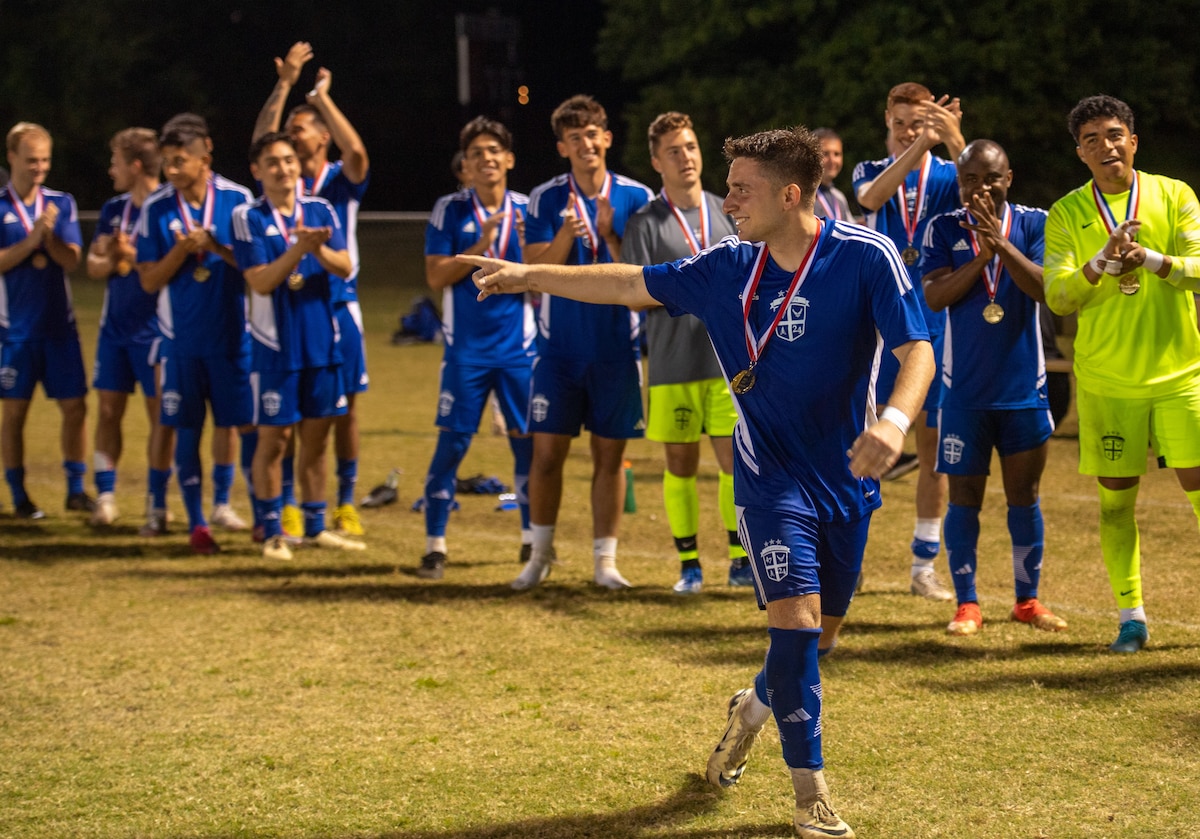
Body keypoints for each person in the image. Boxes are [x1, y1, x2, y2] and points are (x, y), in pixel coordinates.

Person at [467, 125, 934, 839]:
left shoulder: (863, 257)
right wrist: (531, 275)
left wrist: (896, 422)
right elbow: (629, 282)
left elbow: (918, 351)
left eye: (742, 189)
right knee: (799, 624)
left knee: (822, 637)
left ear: (790, 193)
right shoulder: (726, 268)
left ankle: (752, 706)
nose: (729, 200)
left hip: (845, 475)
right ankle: (811, 794)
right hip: (768, 475)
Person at [1043, 94, 1200, 653]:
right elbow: (1059, 296)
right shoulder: (1066, 213)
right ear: (1080, 153)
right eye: (1091, 140)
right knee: (1116, 501)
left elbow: (1199, 272)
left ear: (1133, 140)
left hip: (1181, 372)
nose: (1104, 146)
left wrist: (1152, 260)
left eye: (1113, 135)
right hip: (1108, 381)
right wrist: (1104, 261)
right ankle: (1131, 616)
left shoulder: (1174, 194)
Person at [922, 139, 1068, 636]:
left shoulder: (1035, 224)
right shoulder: (943, 227)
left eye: (990, 178)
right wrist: (981, 256)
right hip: (962, 392)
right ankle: (967, 604)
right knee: (963, 498)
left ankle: (1027, 601)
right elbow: (936, 295)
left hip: (1024, 388)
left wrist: (1001, 245)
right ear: (959, 182)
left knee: (1024, 495)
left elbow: (1048, 289)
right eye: (969, 180)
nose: (980, 188)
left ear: (1009, 177)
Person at [515, 94, 654, 591]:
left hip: (617, 348)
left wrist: (607, 233)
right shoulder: (544, 198)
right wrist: (564, 239)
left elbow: (646, 272)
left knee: (610, 459)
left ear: (606, 138)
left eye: (592, 133)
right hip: (559, 350)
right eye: (575, 137)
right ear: (562, 147)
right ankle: (540, 552)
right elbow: (531, 269)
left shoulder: (637, 197)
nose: (585, 143)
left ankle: (605, 562)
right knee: (546, 455)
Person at [621, 111, 749, 594]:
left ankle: (739, 558)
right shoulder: (646, 222)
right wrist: (695, 292)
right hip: (673, 365)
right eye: (674, 151)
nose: (686, 157)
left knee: (733, 463)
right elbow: (636, 290)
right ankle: (689, 564)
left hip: (727, 365)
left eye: (691, 147)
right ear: (657, 161)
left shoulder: (726, 209)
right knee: (680, 467)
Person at [253, 41, 370, 539]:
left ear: (321, 136)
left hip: (341, 303)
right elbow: (263, 139)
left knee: (341, 411)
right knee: (285, 420)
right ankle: (289, 510)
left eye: (300, 131)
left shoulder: (336, 183)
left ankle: (343, 503)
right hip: (292, 303)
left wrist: (321, 99)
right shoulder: (279, 181)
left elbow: (358, 152)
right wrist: (285, 83)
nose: (291, 139)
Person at [852, 81, 964, 601]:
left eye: (918, 122)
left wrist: (956, 138)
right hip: (883, 329)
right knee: (865, 446)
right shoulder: (871, 170)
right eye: (899, 123)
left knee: (935, 451)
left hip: (939, 326)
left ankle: (924, 567)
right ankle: (850, 559)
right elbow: (870, 198)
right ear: (886, 120)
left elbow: (981, 190)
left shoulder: (947, 173)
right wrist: (922, 143)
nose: (907, 131)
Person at [233, 132, 365, 559]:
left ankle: (314, 525)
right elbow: (260, 280)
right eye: (273, 162)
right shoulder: (247, 217)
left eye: (289, 160)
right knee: (273, 442)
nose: (284, 169)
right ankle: (272, 529)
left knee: (317, 440)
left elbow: (345, 267)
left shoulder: (320, 209)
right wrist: (298, 250)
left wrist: (318, 249)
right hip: (276, 348)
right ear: (257, 171)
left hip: (323, 344)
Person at [418, 116, 534, 579]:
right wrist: (480, 242)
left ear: (508, 159)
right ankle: (435, 545)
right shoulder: (449, 209)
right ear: (464, 167)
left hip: (518, 348)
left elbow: (547, 275)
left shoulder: (529, 207)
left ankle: (532, 541)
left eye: (494, 152)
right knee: (453, 443)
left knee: (527, 445)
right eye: (476, 154)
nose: (486, 159)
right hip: (466, 350)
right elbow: (435, 277)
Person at [135, 115, 255, 554]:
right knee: (186, 431)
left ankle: (259, 517)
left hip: (231, 338)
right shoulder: (156, 208)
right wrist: (181, 251)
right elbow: (149, 281)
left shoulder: (239, 201)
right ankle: (197, 524)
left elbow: (254, 269)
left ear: (205, 154)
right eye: (166, 163)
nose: (170, 171)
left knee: (245, 426)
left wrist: (217, 247)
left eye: (179, 161)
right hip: (181, 341)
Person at [0, 122, 92, 518]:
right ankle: (19, 496)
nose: (39, 168)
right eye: (31, 160)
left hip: (59, 329)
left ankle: (75, 489)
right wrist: (33, 238)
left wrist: (50, 239)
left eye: (45, 160)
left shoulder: (62, 203)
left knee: (75, 408)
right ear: (12, 158)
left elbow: (72, 259)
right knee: (14, 414)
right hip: (14, 332)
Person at [85, 128, 166, 526]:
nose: (110, 168)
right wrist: (112, 256)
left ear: (135, 166)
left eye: (115, 161)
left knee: (159, 418)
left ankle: (156, 498)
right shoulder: (114, 209)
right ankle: (105, 495)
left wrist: (126, 254)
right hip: (114, 329)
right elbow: (95, 266)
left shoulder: (169, 207)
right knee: (107, 411)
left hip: (155, 330)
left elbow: (169, 266)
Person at [811, 128, 855, 223]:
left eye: (837, 154)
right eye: (825, 154)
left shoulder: (839, 197)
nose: (832, 160)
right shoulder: (803, 194)